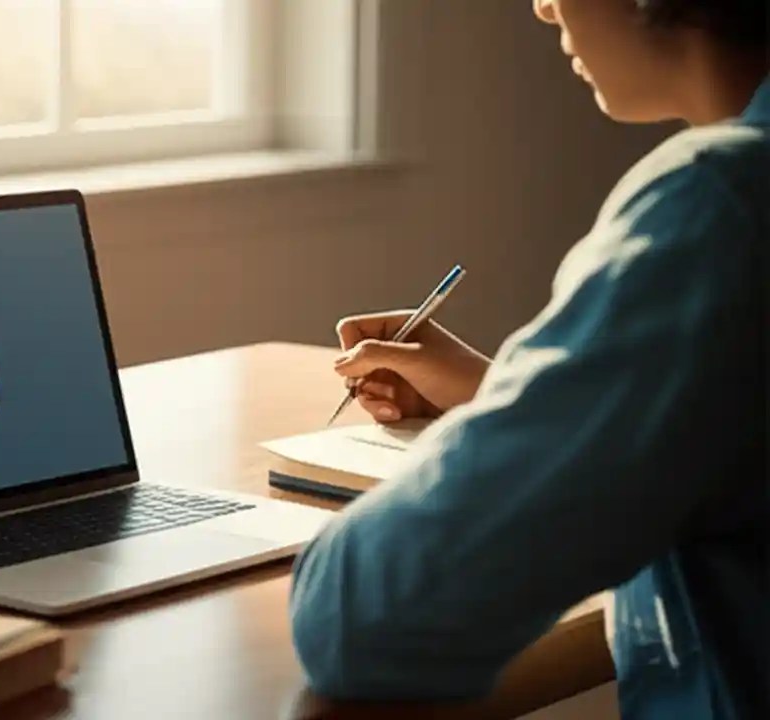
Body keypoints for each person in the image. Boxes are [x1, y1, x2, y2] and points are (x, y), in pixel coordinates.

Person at [288, 1, 768, 718]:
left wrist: (496, 432)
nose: (543, 6)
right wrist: (505, 394)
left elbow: (362, 619)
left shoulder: (721, 205)